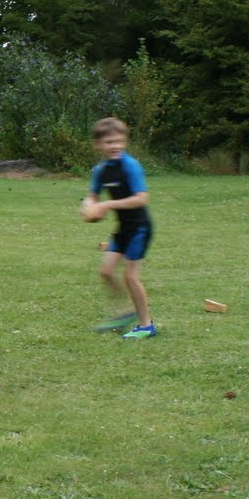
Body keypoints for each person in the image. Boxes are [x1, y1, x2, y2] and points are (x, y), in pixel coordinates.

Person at [81, 117, 155, 339]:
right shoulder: (101, 170)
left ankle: (146, 326)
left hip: (140, 227)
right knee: (105, 272)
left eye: (119, 141)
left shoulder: (130, 165)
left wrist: (107, 204)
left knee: (131, 277)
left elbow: (142, 199)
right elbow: (93, 196)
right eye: (109, 142)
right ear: (98, 145)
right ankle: (125, 313)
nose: (115, 146)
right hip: (123, 228)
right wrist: (88, 207)